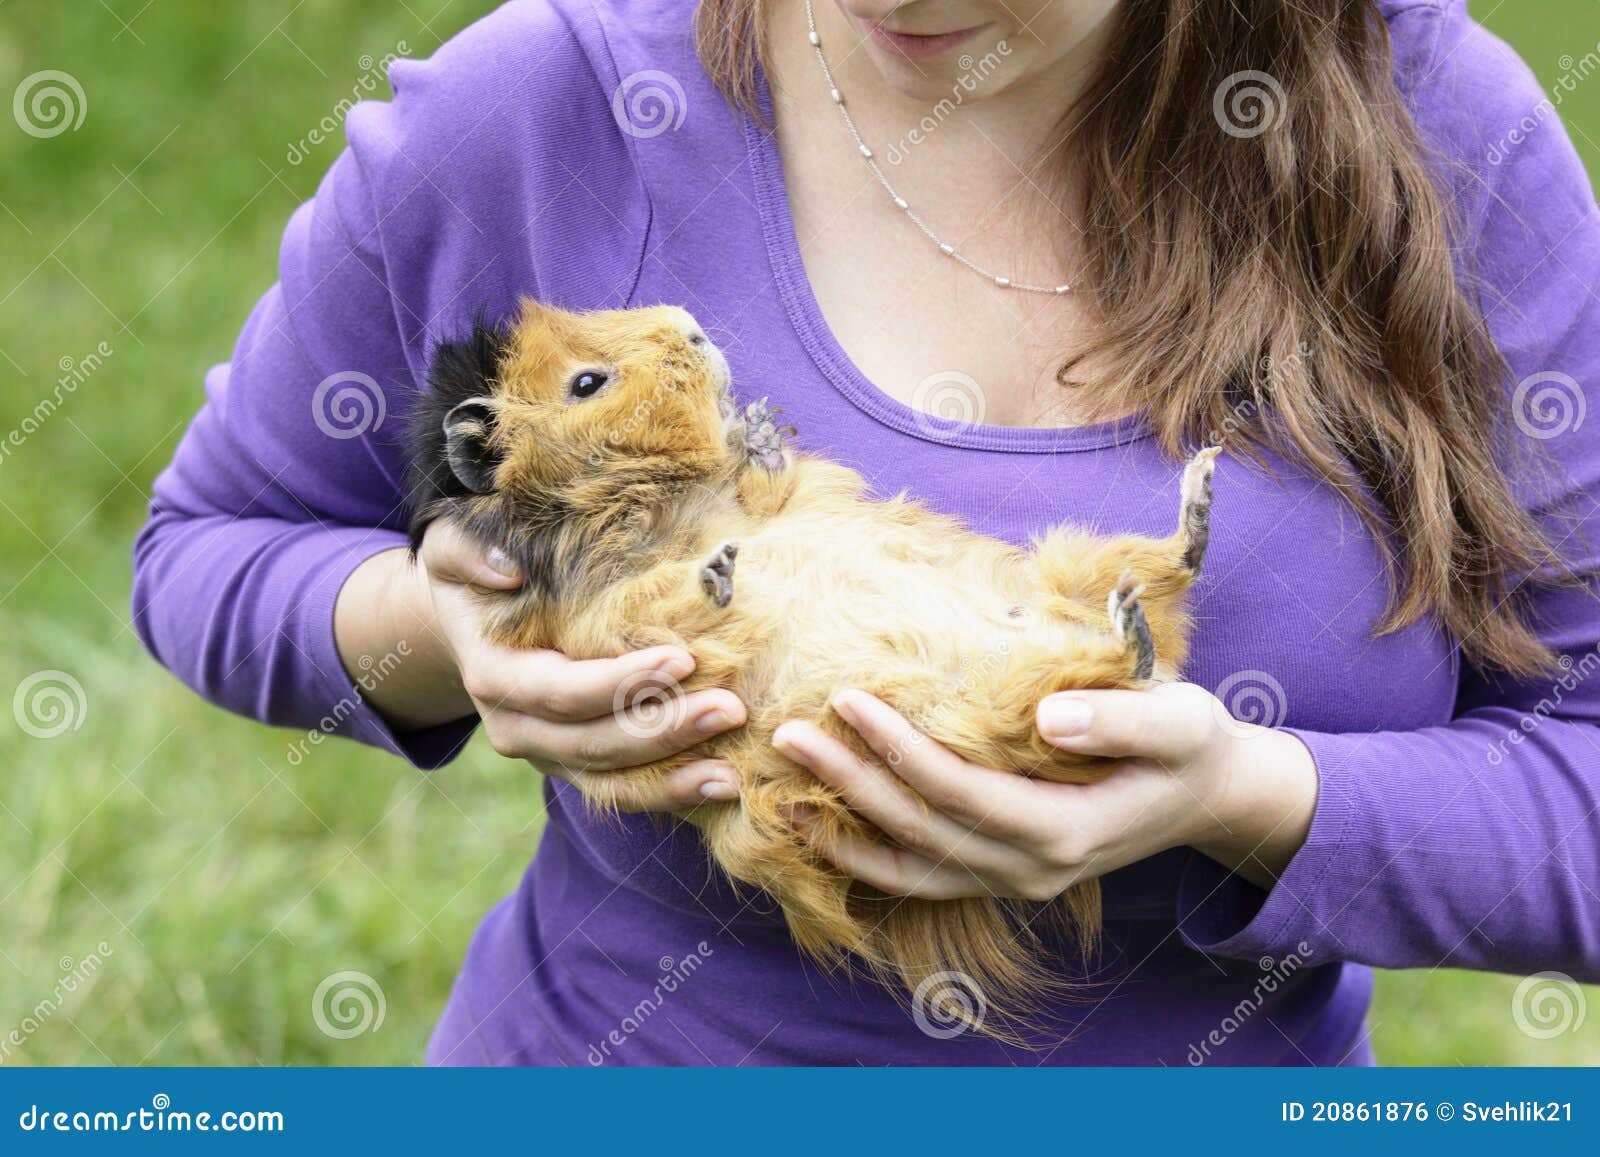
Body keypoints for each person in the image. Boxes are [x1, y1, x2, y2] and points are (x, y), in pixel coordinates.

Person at [133, 0, 1600, 1064]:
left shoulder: (1437, 134)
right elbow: (206, 546)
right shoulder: (540, 109)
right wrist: (443, 630)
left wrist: (1247, 795)